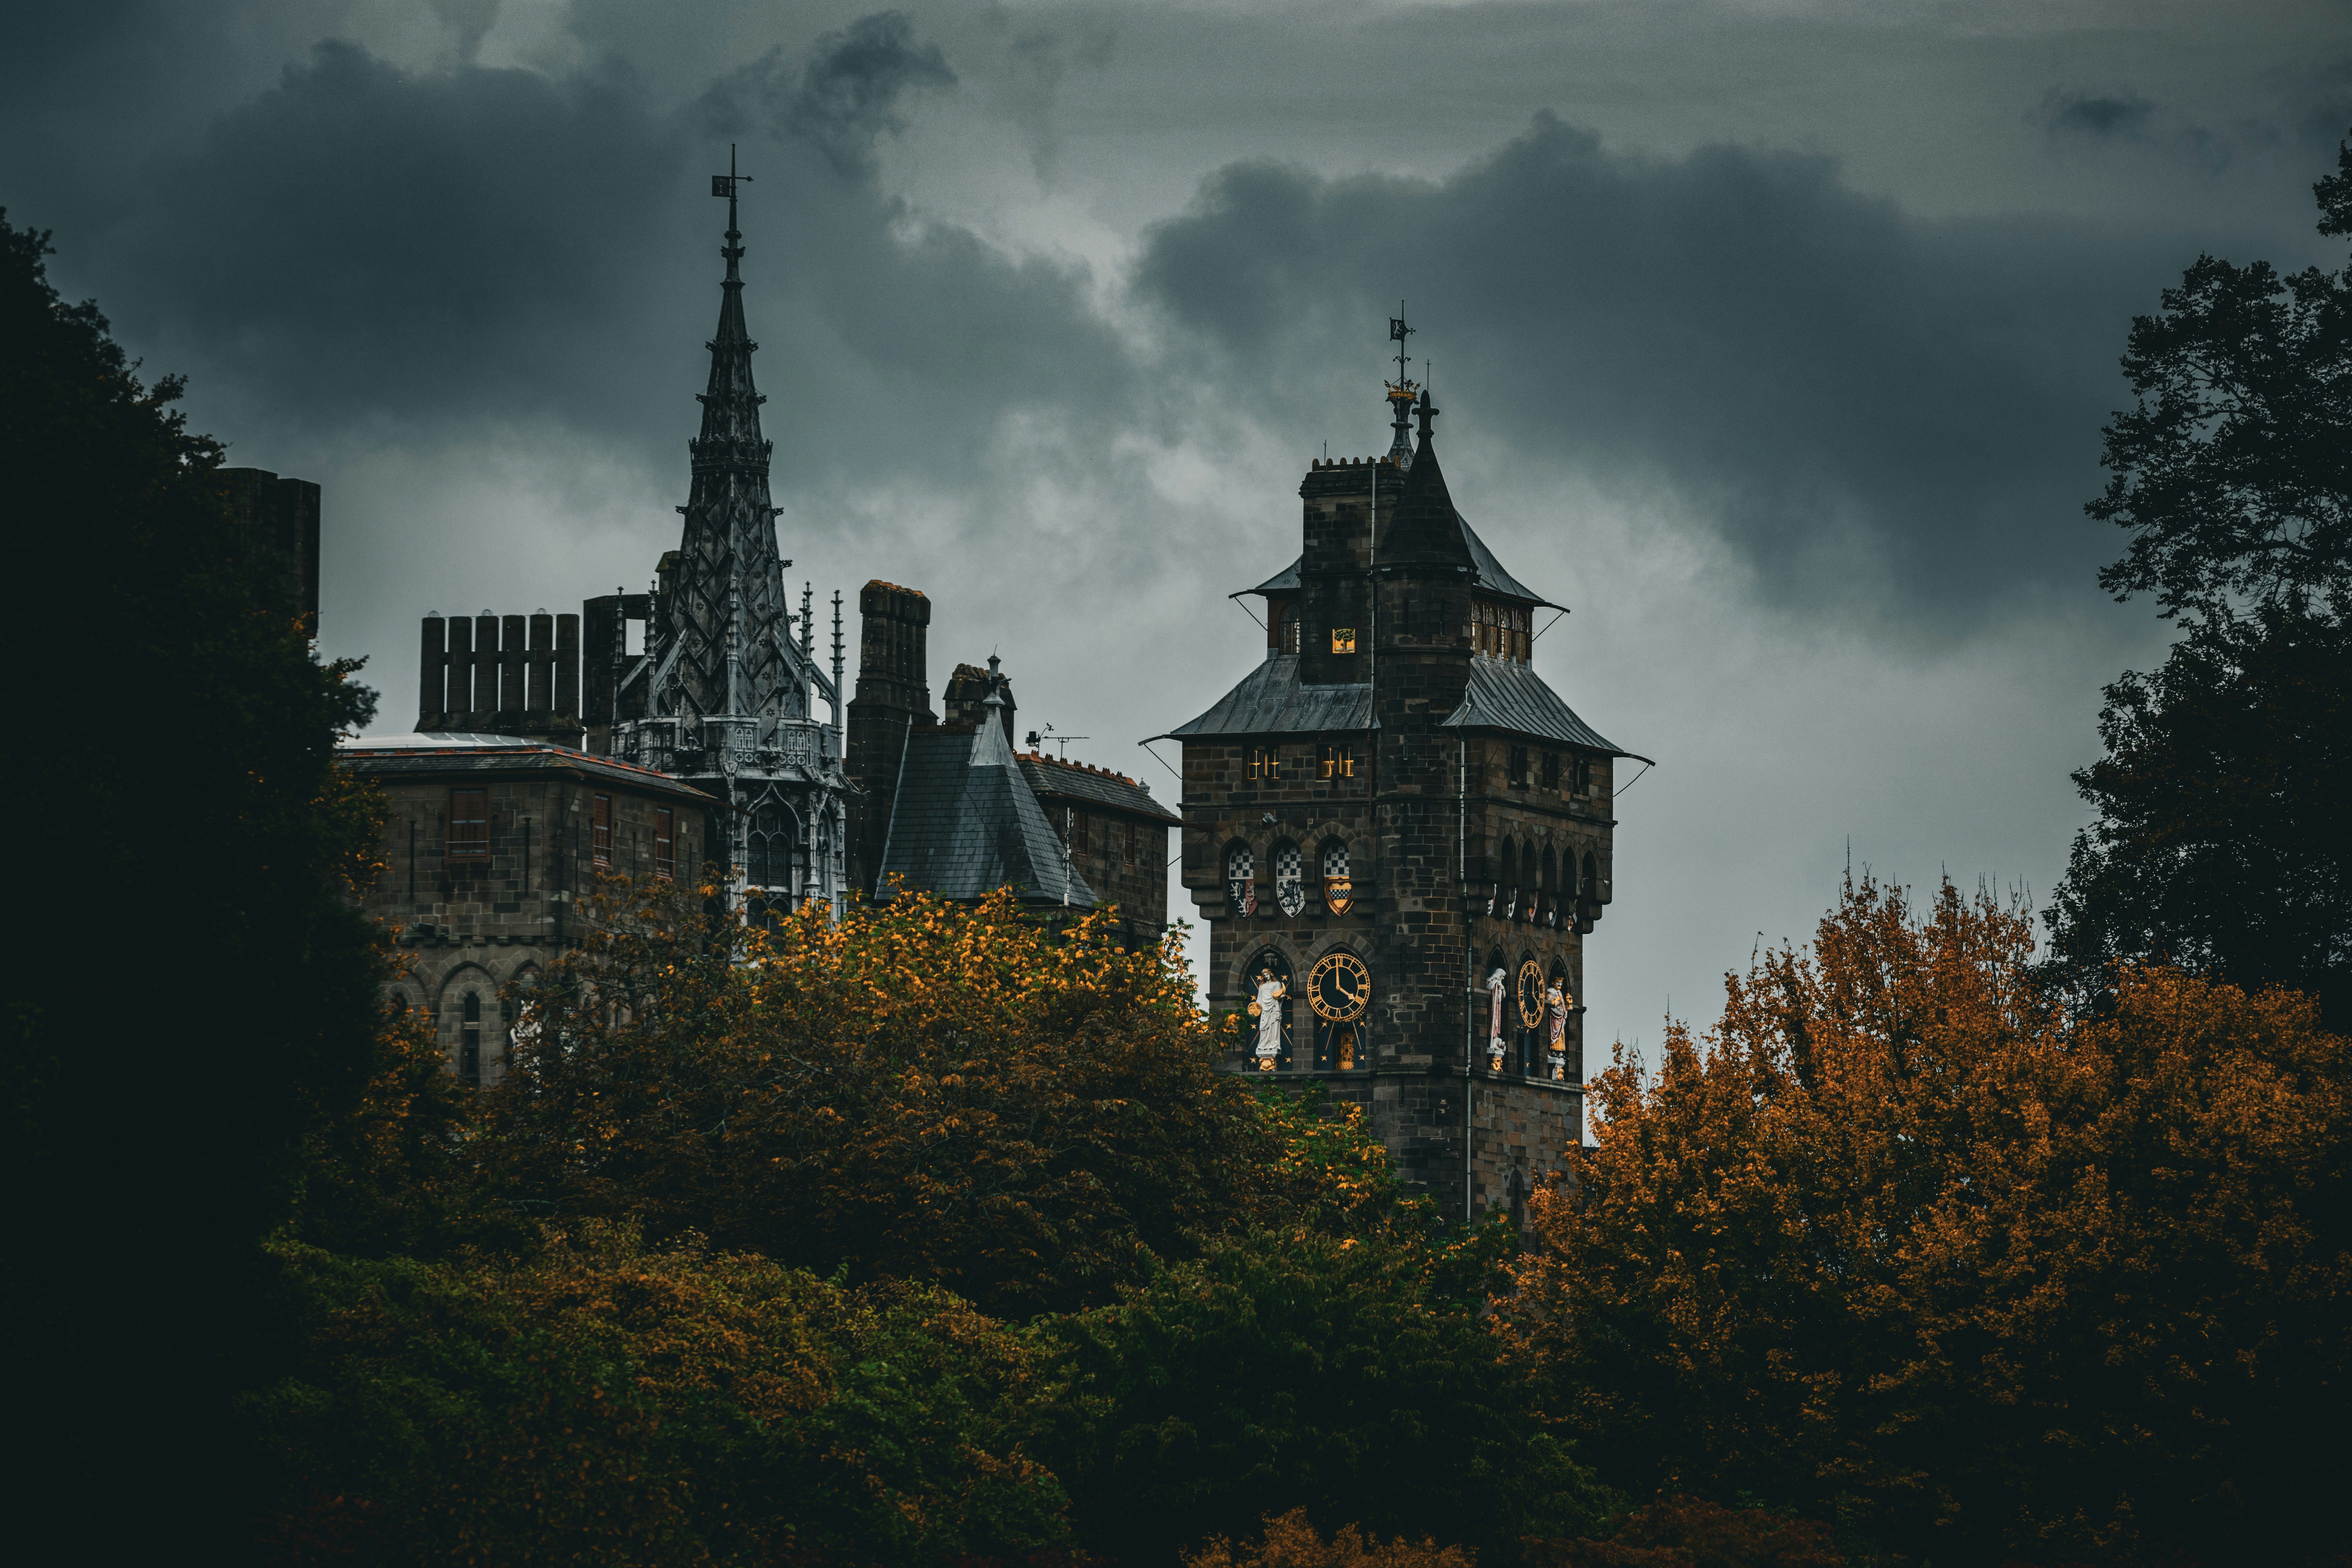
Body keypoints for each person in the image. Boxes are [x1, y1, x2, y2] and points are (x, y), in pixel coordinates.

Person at [1250, 965, 1287, 1070]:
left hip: (1275, 1007)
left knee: (1274, 1027)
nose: (1266, 976)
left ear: (1270, 974)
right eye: (1264, 975)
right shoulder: (1262, 987)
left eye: (1267, 974)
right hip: (1265, 1010)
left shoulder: (1277, 984)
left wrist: (1281, 998)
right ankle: (1264, 1045)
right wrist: (1255, 1008)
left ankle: (1274, 1045)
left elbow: (1279, 995)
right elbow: (1260, 999)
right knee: (1264, 1028)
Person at [1545, 979, 1570, 1082]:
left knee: (1562, 1035)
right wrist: (1558, 1002)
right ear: (1553, 982)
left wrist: (1567, 1006)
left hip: (1561, 1018)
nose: (1560, 985)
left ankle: (1560, 1053)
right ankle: (1554, 1051)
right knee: (1555, 1034)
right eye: (1558, 983)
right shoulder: (1551, 991)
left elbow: (1563, 1005)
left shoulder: (1560, 992)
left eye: (1561, 983)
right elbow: (1549, 1003)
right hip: (1554, 1018)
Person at [1486, 967, 1508, 1070]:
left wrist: (1502, 988)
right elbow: (1489, 988)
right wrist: (1494, 983)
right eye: (1502, 977)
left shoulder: (1500, 984)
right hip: (1493, 1008)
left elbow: (1504, 996)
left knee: (1497, 1025)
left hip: (1498, 1009)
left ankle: (1495, 1042)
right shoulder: (1493, 981)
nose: (1503, 979)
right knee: (1494, 1025)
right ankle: (1493, 1042)